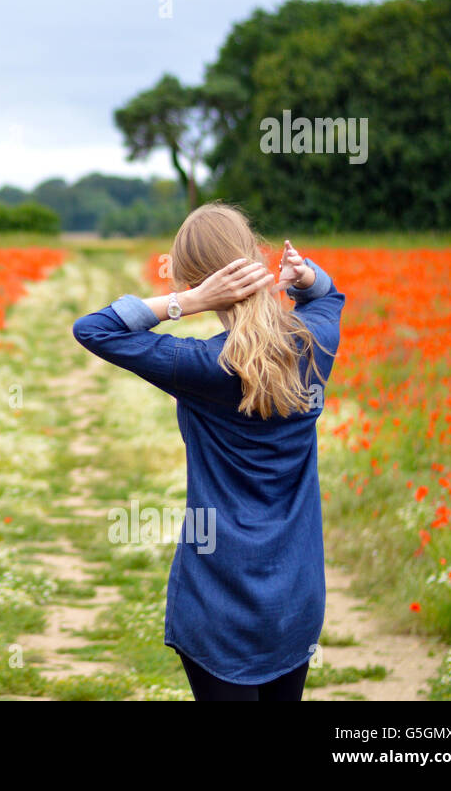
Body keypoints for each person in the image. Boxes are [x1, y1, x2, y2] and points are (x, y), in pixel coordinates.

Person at [71, 202, 344, 701]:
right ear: (253, 259)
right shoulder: (316, 342)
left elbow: (93, 329)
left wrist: (185, 302)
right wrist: (303, 278)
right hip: (296, 596)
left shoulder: (200, 365)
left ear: (198, 280)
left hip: (219, 601)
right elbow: (328, 299)